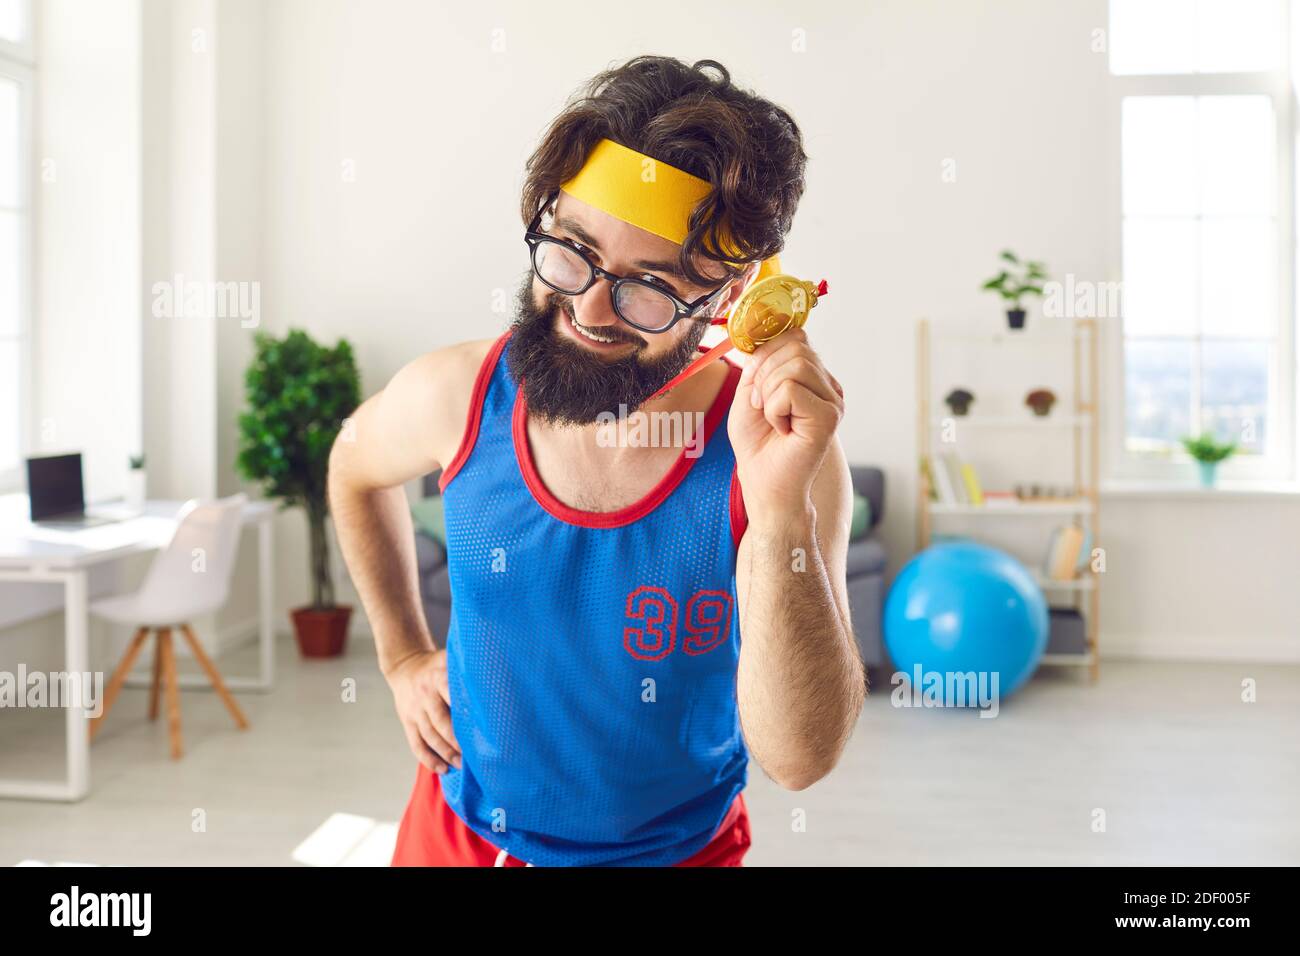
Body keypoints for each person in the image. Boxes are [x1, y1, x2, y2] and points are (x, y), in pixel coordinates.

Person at [328, 55, 864, 867]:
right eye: (572, 250)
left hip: (677, 853)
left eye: (649, 285)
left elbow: (798, 758)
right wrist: (402, 654)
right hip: (458, 838)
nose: (586, 308)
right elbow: (353, 467)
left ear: (729, 295)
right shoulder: (456, 395)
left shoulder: (780, 456)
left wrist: (781, 506)